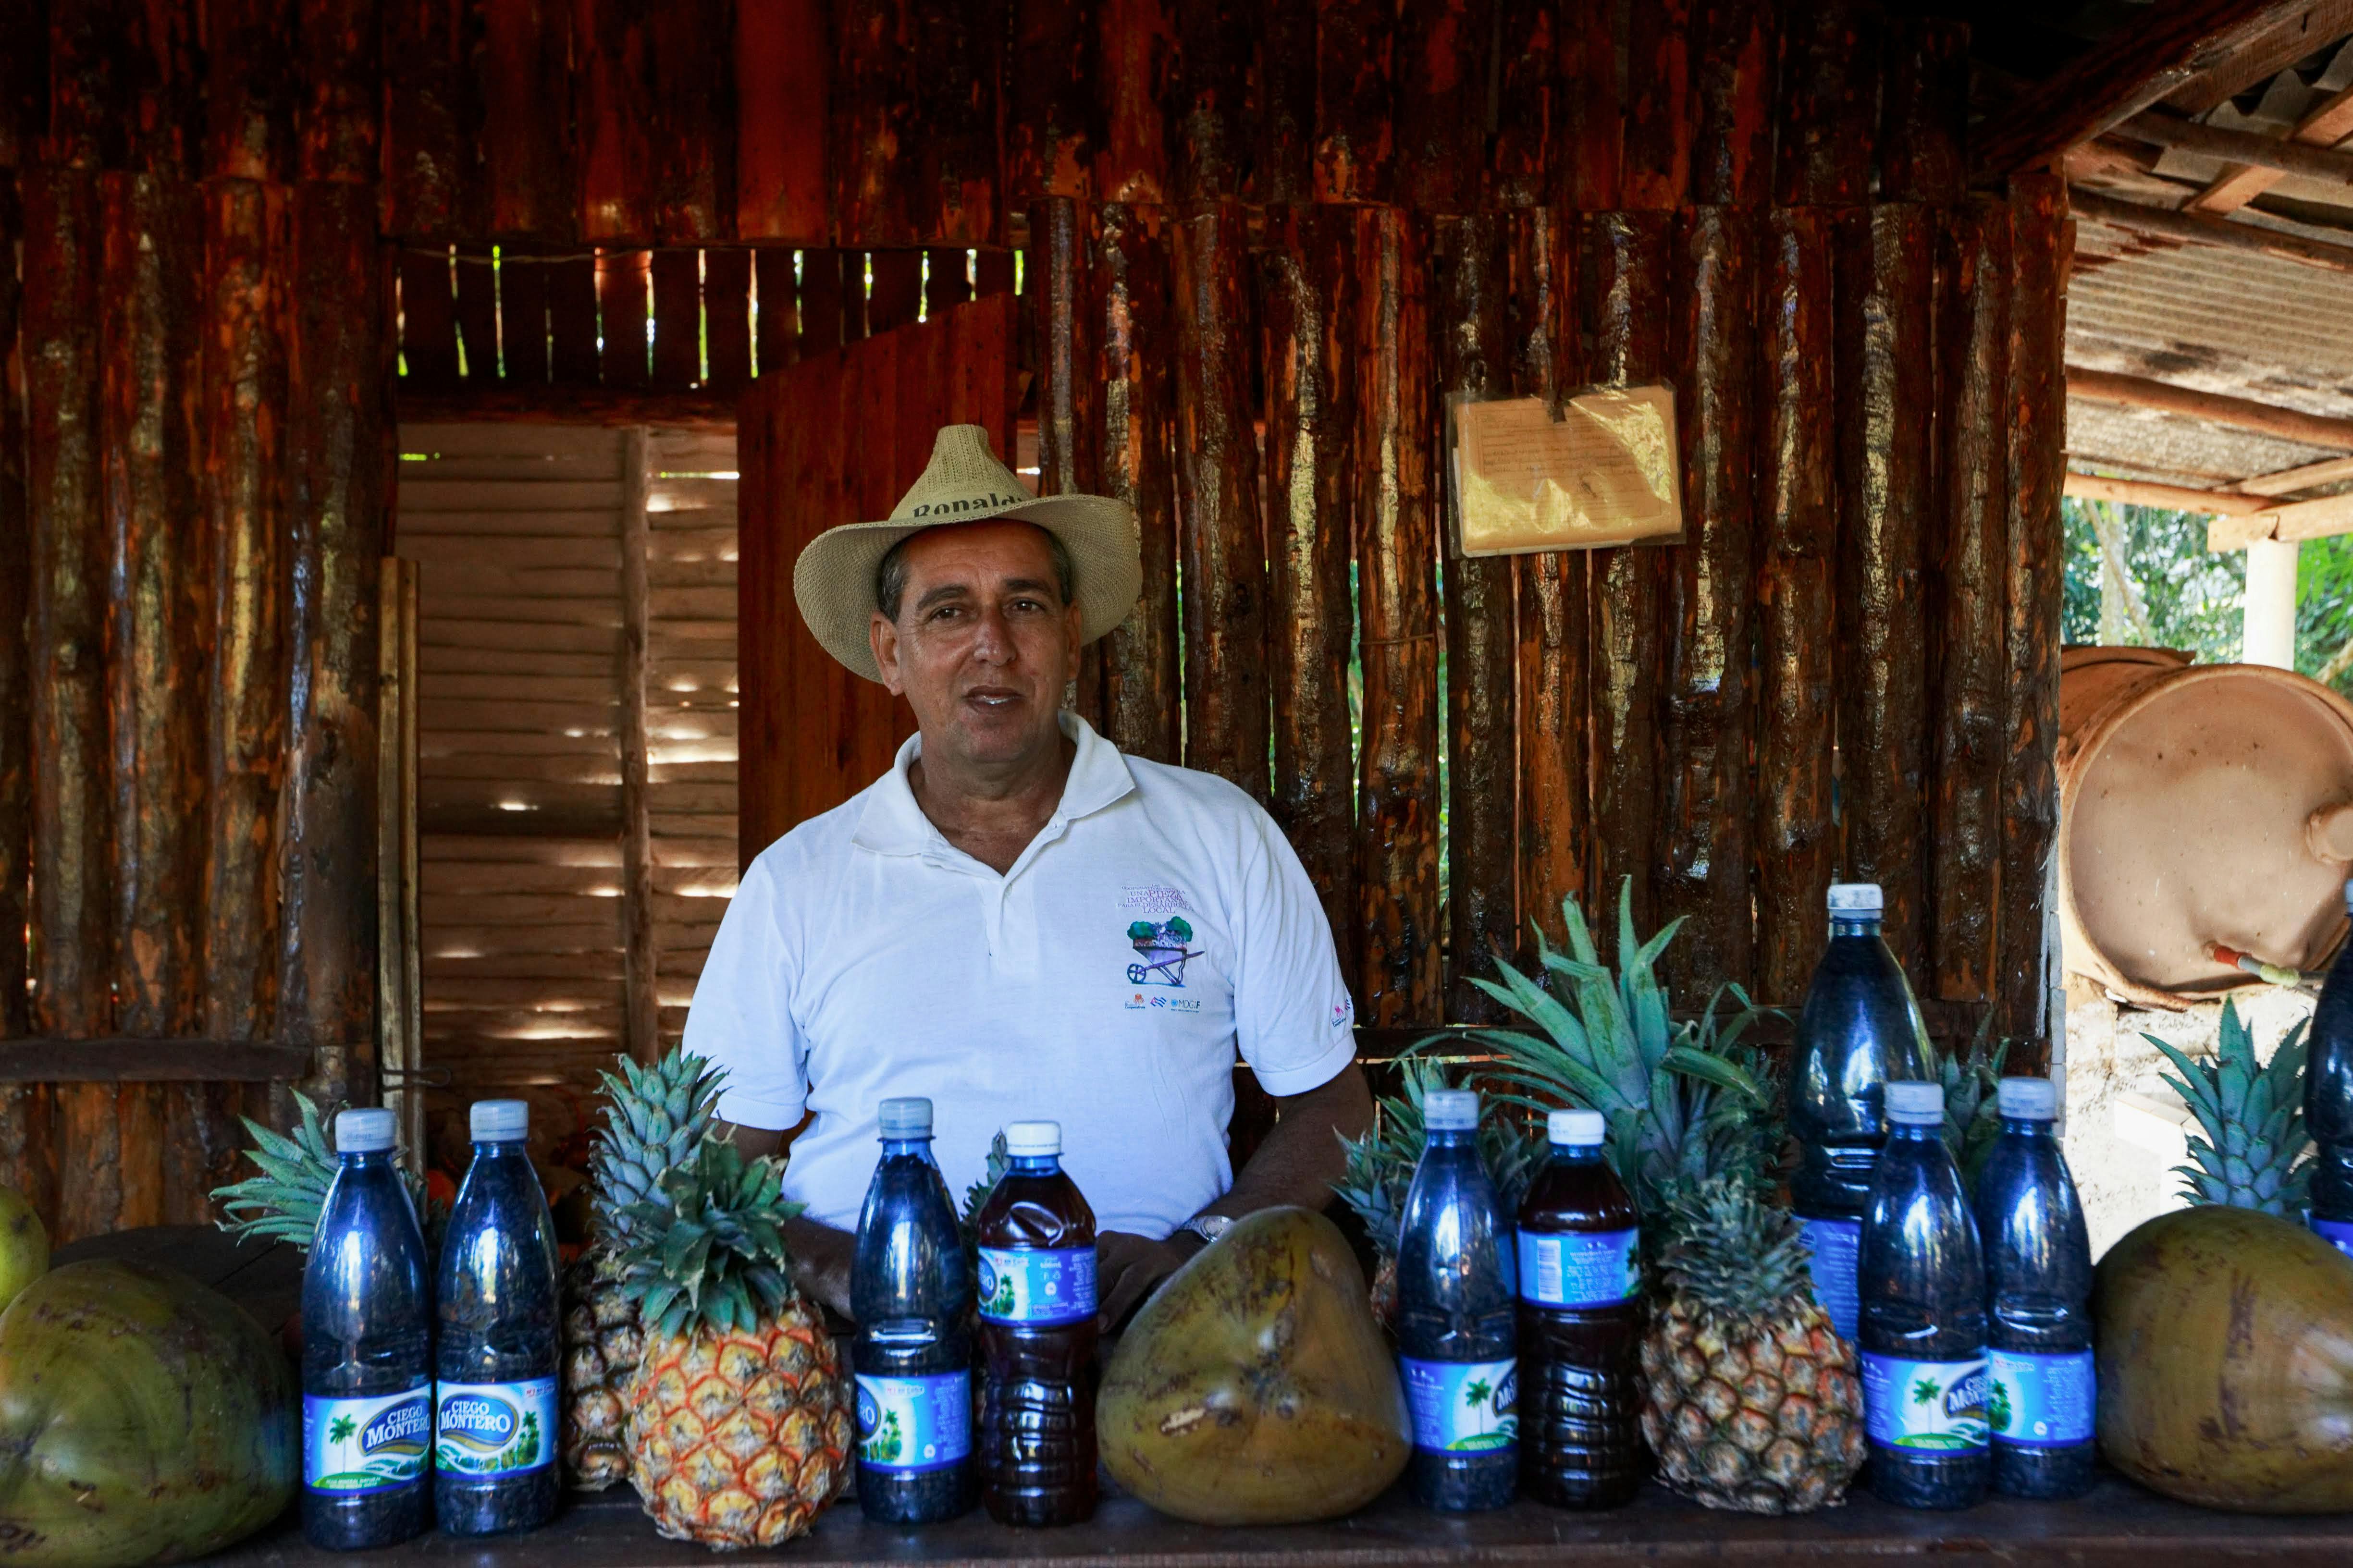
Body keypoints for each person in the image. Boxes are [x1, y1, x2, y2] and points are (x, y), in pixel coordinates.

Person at [687, 425, 1374, 1332]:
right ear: (890, 653)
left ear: (1071, 635)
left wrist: (1198, 1250)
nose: (992, 646)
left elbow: (1334, 1104)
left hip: (1162, 1345)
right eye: (948, 612)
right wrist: (855, 1271)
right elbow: (714, 1165)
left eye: (1024, 606)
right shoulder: (798, 881)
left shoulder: (1217, 834)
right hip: (869, 1351)